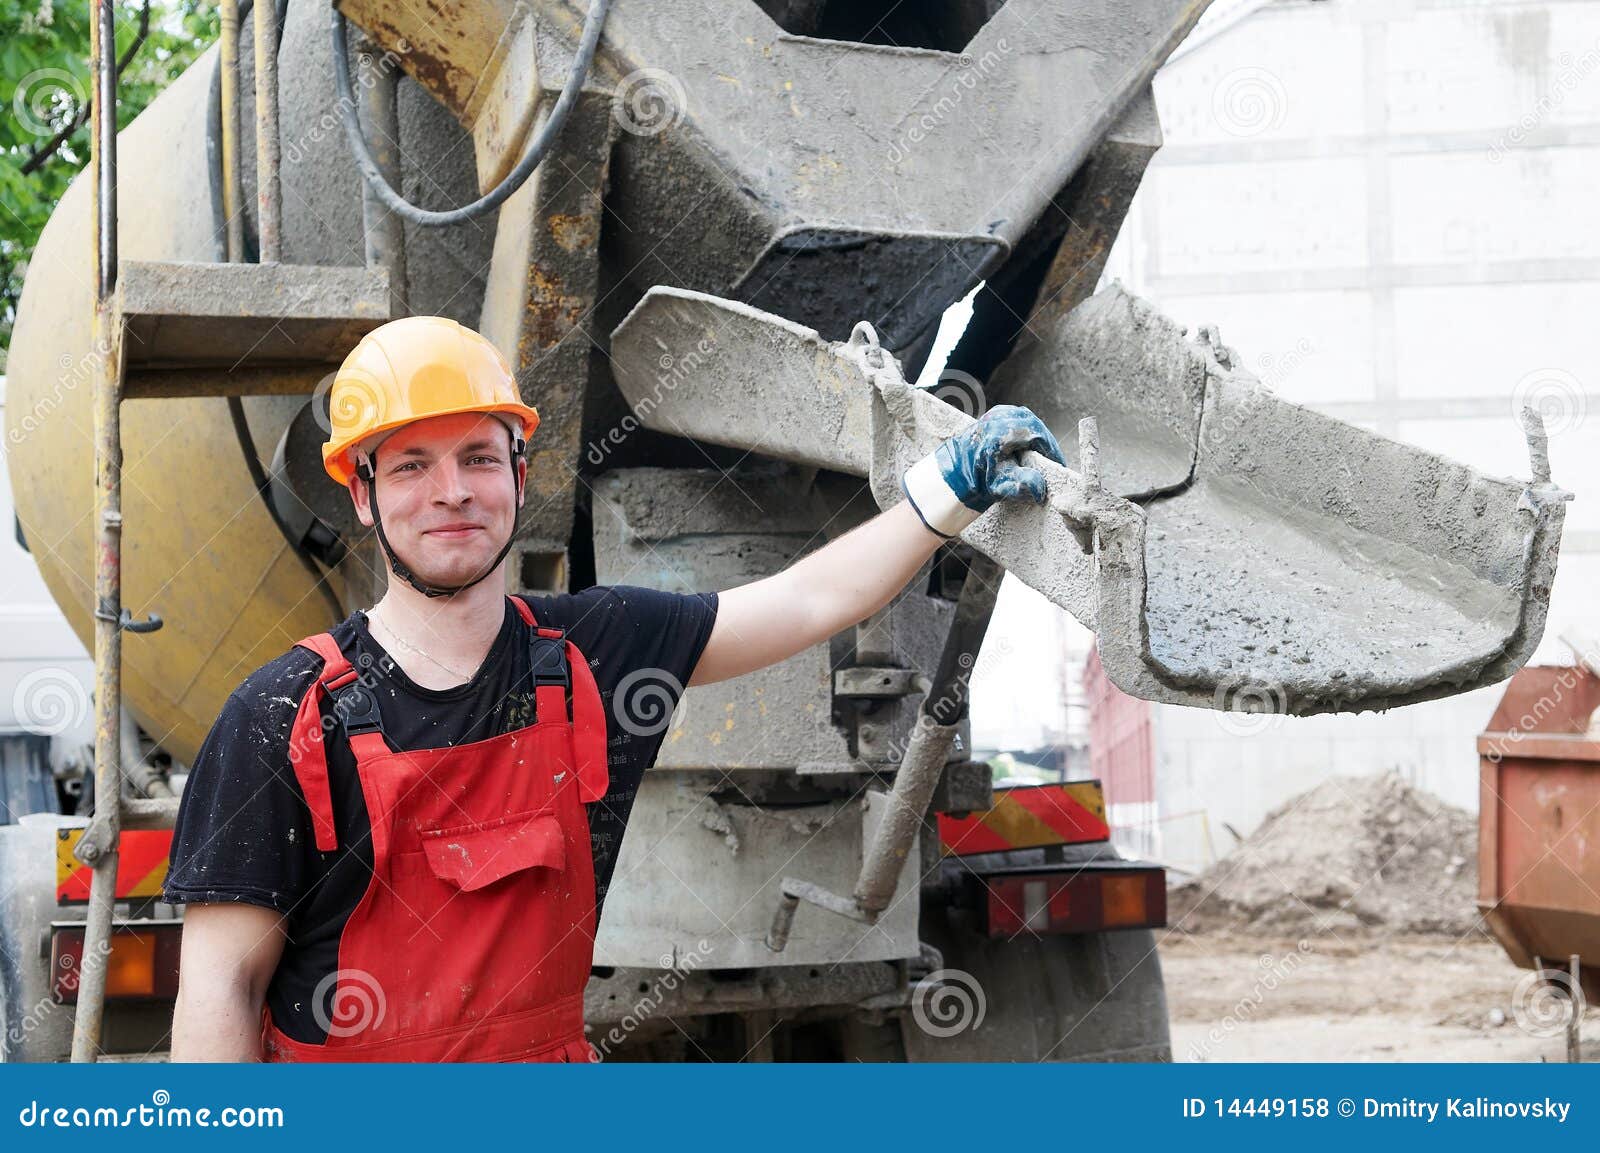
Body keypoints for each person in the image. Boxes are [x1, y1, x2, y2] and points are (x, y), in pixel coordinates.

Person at [163, 314, 1064, 1062]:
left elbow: (807, 600)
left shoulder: (595, 653)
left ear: (520, 475)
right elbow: (221, 988)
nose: (452, 491)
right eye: (410, 465)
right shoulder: (283, 717)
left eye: (479, 457)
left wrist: (948, 488)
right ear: (362, 495)